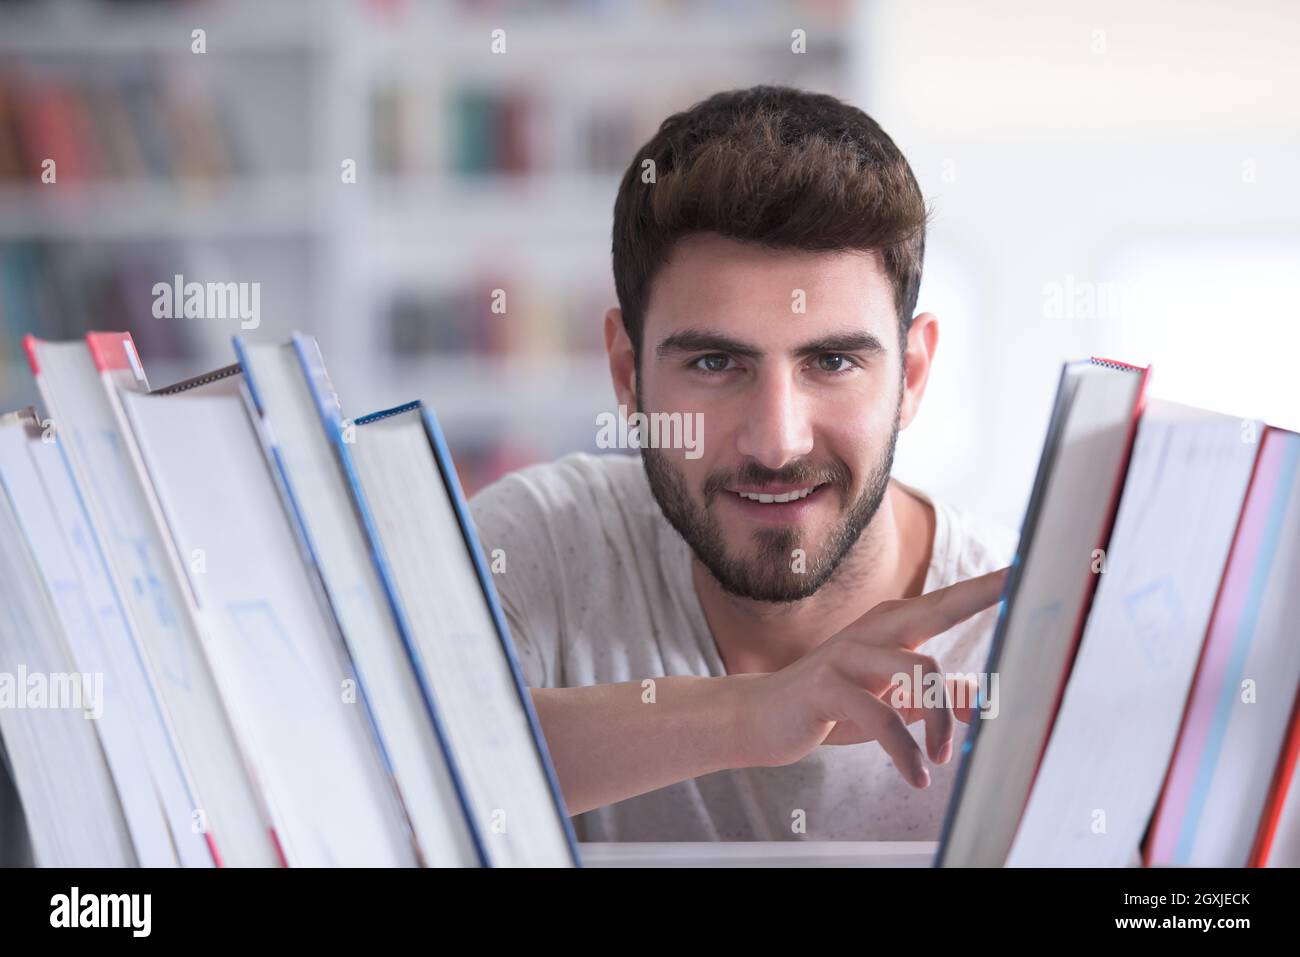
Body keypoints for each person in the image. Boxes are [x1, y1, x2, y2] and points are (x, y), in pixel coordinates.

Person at [470, 85, 1017, 842]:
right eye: (716, 362)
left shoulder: (1026, 641)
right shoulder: (542, 545)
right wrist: (754, 713)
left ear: (912, 375)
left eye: (830, 360)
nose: (777, 443)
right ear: (628, 375)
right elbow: (376, 774)